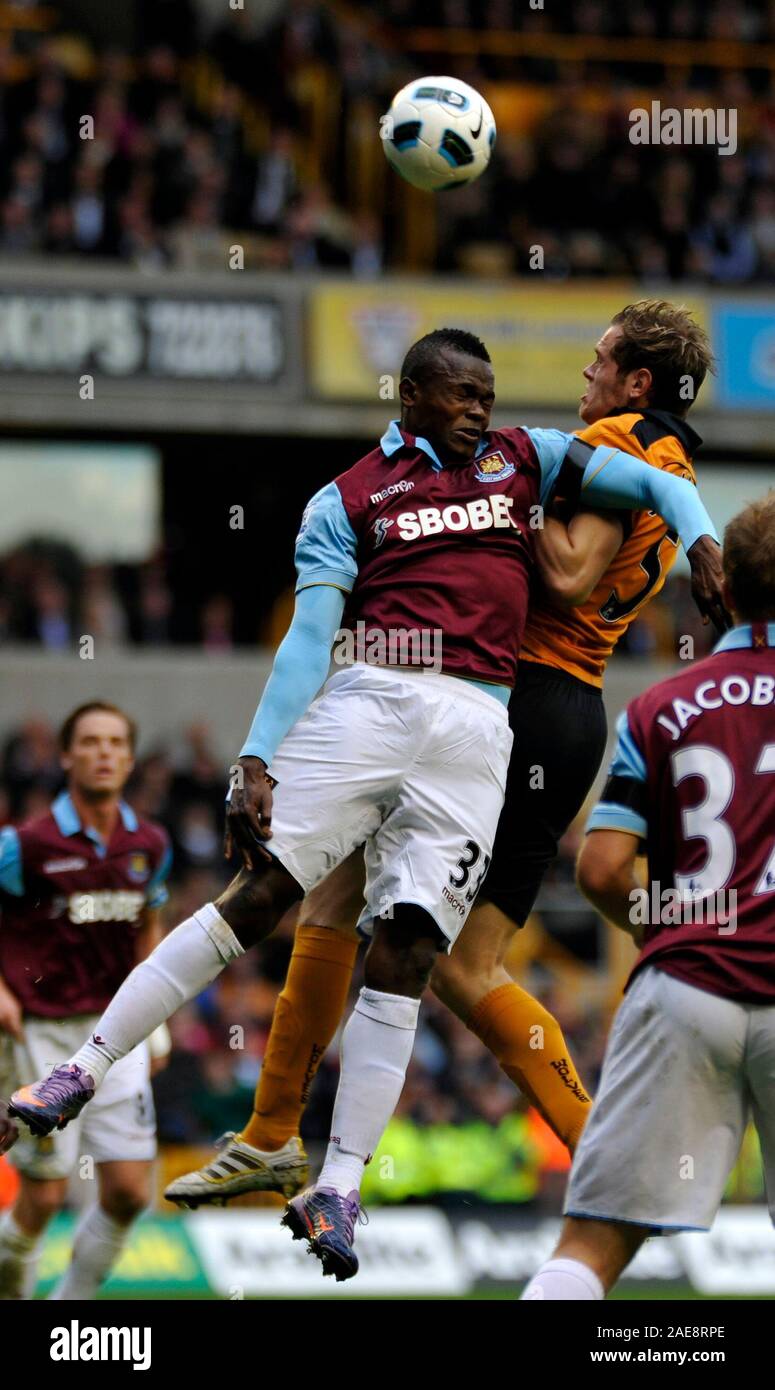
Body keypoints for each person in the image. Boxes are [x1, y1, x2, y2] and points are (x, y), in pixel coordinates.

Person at [9, 327, 723, 1283]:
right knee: (279, 902)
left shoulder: (542, 454)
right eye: (464, 394)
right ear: (411, 395)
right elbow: (310, 635)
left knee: (425, 955)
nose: (483, 408)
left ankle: (339, 1174)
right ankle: (117, 1082)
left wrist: (698, 534)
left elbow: (620, 527)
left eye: (489, 393)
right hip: (395, 696)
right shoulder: (348, 496)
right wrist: (256, 751)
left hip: (498, 714)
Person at [165, 300, 719, 1207]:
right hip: (571, 710)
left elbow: (573, 574)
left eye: (598, 359)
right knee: (463, 965)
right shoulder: (678, 463)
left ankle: (271, 1134)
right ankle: (604, 1152)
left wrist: (491, 504)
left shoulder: (620, 438)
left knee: (335, 901)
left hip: (501, 695)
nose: (583, 376)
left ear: (636, 383)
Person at [522, 491, 775, 1300]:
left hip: (682, 987)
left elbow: (598, 870)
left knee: (589, 1245)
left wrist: (669, 925)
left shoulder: (659, 706)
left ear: (723, 590)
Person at [0, 702, 171, 1300]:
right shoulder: (24, 845)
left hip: (115, 1033)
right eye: (90, 743)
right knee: (44, 1197)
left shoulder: (150, 842)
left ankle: (71, 1308)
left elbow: (148, 924)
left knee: (128, 1192)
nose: (104, 753)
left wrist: (158, 1020)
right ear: (67, 755)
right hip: (40, 1036)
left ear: (129, 757)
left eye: (115, 743)